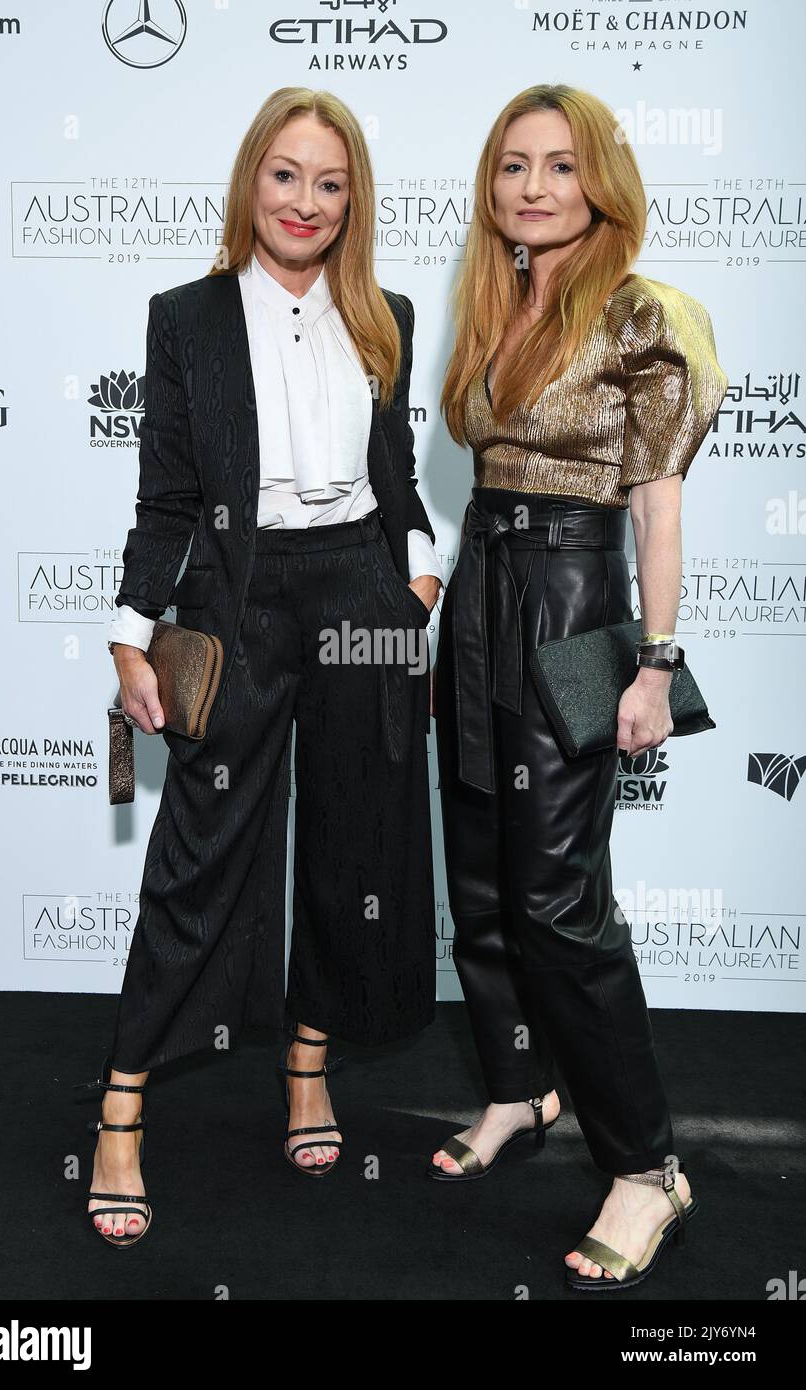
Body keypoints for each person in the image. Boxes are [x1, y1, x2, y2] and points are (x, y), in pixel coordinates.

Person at [77, 87, 442, 1246]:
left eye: (330, 183)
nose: (306, 201)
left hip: (360, 595)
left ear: (353, 199)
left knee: (353, 841)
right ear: (251, 181)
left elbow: (400, 479)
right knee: (199, 855)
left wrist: (416, 584)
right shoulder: (184, 318)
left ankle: (306, 1065)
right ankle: (122, 1105)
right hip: (236, 600)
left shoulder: (385, 312)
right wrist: (132, 632)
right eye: (285, 175)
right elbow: (168, 496)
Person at [429, 84, 728, 1291]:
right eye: (512, 165)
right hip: (479, 600)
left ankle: (647, 1166)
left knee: (557, 902)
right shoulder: (493, 302)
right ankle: (516, 1083)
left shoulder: (643, 315)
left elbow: (655, 510)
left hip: (573, 606)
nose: (533, 186)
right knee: (479, 879)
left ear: (598, 181)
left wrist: (653, 662)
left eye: (558, 165)